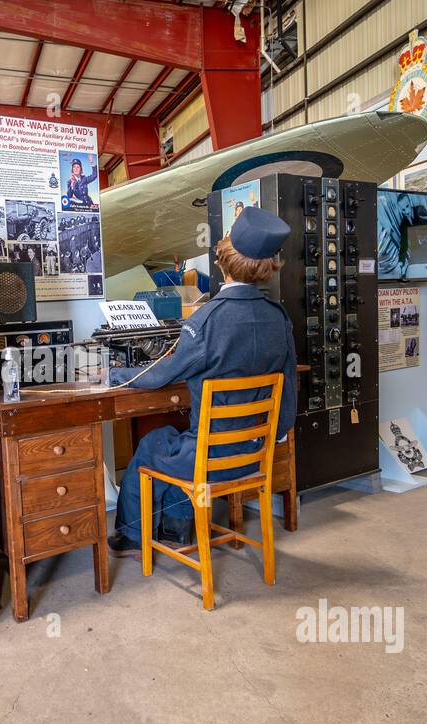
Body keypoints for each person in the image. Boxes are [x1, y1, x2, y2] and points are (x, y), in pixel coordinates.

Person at [105, 207, 298, 556]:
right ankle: (177, 530)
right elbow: (287, 390)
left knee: (154, 443)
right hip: (254, 454)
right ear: (266, 266)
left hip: (207, 459)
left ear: (223, 261)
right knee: (177, 439)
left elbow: (159, 376)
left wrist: (113, 375)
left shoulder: (208, 320)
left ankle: (132, 536)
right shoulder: (278, 318)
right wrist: (276, 434)